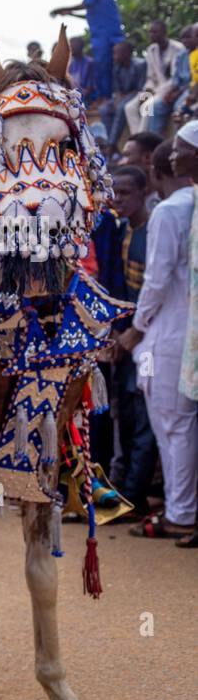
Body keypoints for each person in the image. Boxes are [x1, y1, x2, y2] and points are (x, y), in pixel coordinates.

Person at [119, 131, 198, 543]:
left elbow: (156, 280)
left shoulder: (169, 212)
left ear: (154, 169)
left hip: (168, 332)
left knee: (173, 425)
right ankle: (180, 505)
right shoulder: (190, 204)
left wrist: (137, 328)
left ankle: (181, 513)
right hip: (184, 328)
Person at [92, 165, 157, 515]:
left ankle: (135, 496)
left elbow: (155, 290)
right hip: (125, 338)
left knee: (142, 414)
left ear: (146, 191)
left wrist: (132, 332)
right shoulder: (121, 230)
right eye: (115, 192)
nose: (120, 199)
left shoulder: (150, 232)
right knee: (126, 413)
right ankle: (123, 488)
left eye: (128, 193)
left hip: (149, 339)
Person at [51, 0, 126, 110]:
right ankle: (105, 97)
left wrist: (61, 8)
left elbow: (84, 5)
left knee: (102, 65)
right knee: (106, 65)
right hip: (105, 32)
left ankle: (105, 97)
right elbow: (90, 16)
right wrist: (70, 14)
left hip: (105, 34)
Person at [131, 21, 187, 137]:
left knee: (148, 106)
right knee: (130, 107)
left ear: (165, 33)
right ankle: (135, 136)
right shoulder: (151, 50)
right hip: (154, 88)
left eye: (155, 32)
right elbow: (151, 77)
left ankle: (142, 140)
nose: (152, 35)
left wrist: (156, 92)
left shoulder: (177, 48)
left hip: (168, 89)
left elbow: (176, 77)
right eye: (150, 32)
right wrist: (147, 89)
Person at [106, 41, 147, 157]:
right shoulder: (117, 67)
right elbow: (117, 89)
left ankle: (111, 145)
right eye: (114, 53)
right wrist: (118, 97)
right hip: (124, 95)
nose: (115, 56)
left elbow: (141, 87)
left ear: (128, 53)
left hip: (140, 93)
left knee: (121, 108)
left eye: (117, 53)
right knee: (105, 109)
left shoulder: (140, 65)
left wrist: (121, 99)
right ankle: (112, 143)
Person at [68, 34, 94, 99]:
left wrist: (80, 97)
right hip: (73, 96)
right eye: (70, 46)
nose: (71, 49)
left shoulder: (90, 63)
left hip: (86, 98)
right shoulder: (70, 64)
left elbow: (90, 88)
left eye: (74, 46)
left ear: (81, 47)